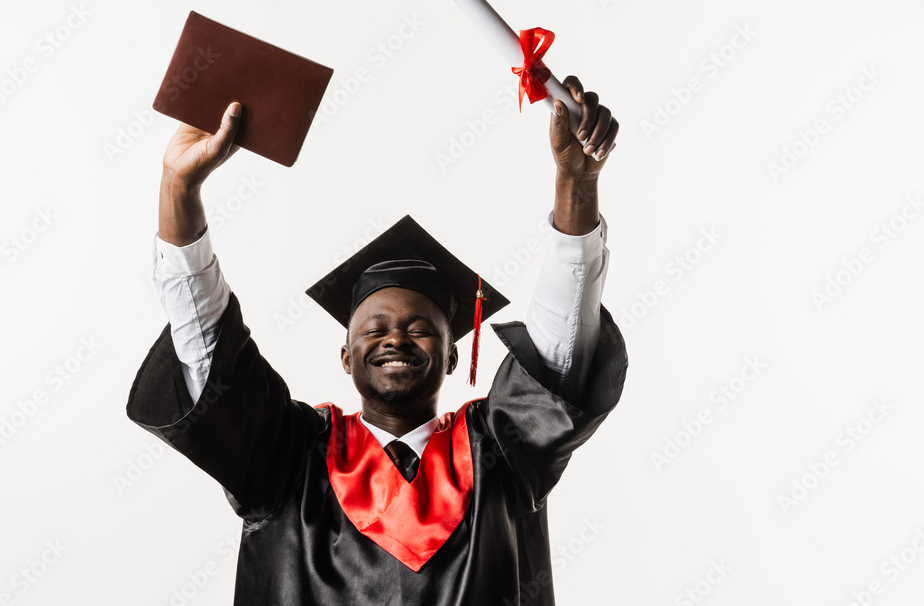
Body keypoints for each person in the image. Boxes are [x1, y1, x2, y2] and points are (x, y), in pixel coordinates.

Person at [126, 76, 628, 605]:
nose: (396, 339)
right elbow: (212, 352)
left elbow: (556, 355)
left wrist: (575, 184)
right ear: (346, 357)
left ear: (451, 355)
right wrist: (179, 187)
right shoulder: (288, 456)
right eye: (374, 329)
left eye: (419, 329)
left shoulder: (500, 450)